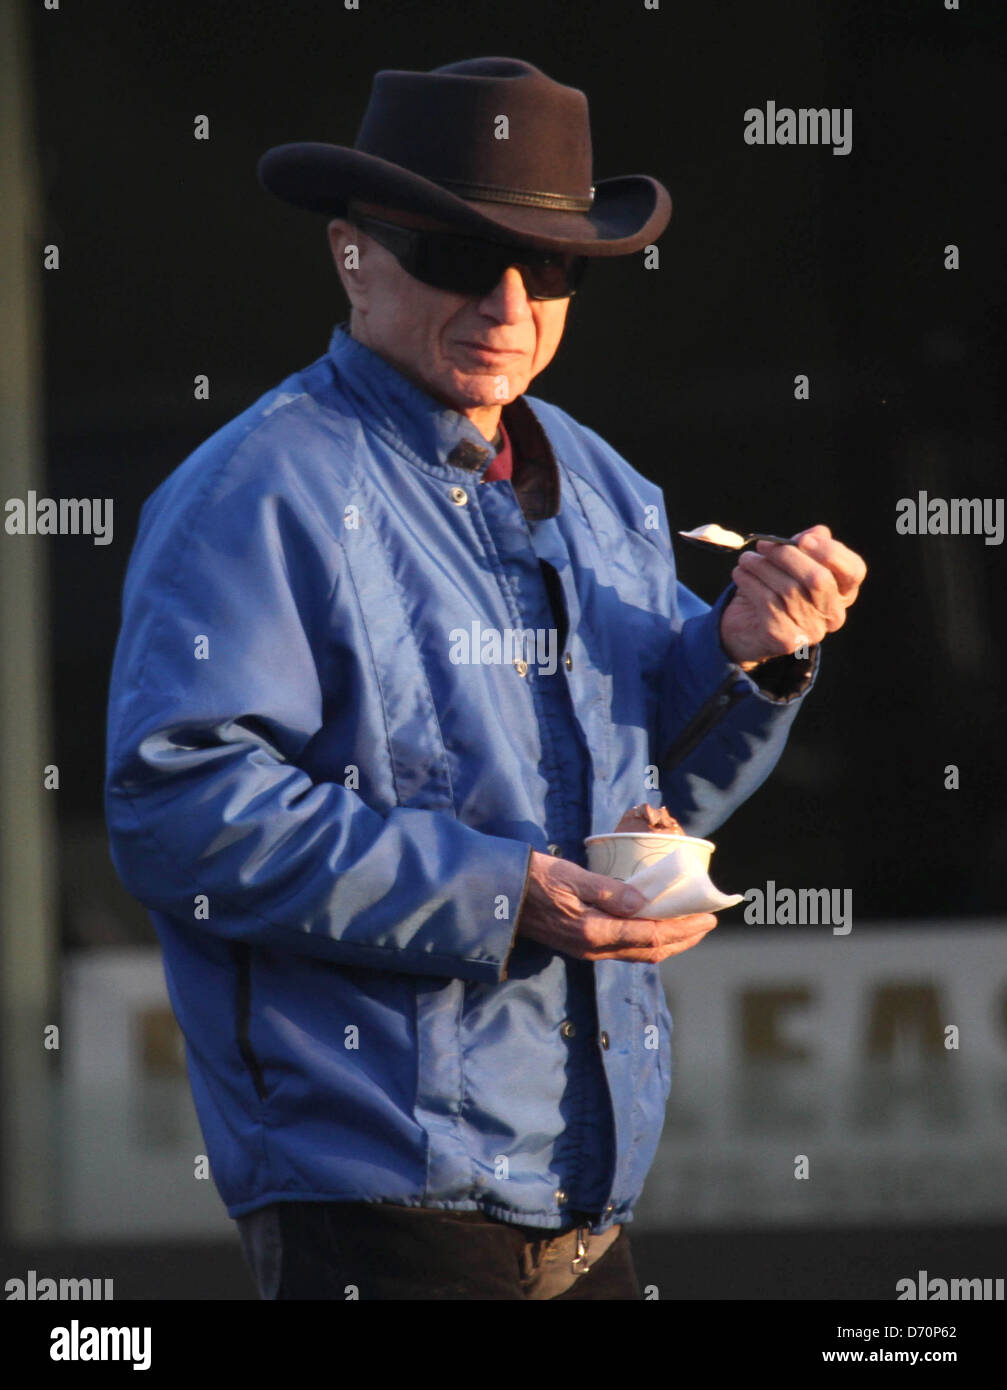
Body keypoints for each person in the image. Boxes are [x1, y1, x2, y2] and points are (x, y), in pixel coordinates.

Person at [104, 56, 866, 1300]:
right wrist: (498, 890)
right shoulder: (255, 491)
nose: (509, 306)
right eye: (460, 256)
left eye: (551, 264)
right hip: (374, 1205)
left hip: (585, 1212)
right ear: (350, 253)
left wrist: (744, 653)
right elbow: (175, 811)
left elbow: (640, 771)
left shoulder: (605, 484)